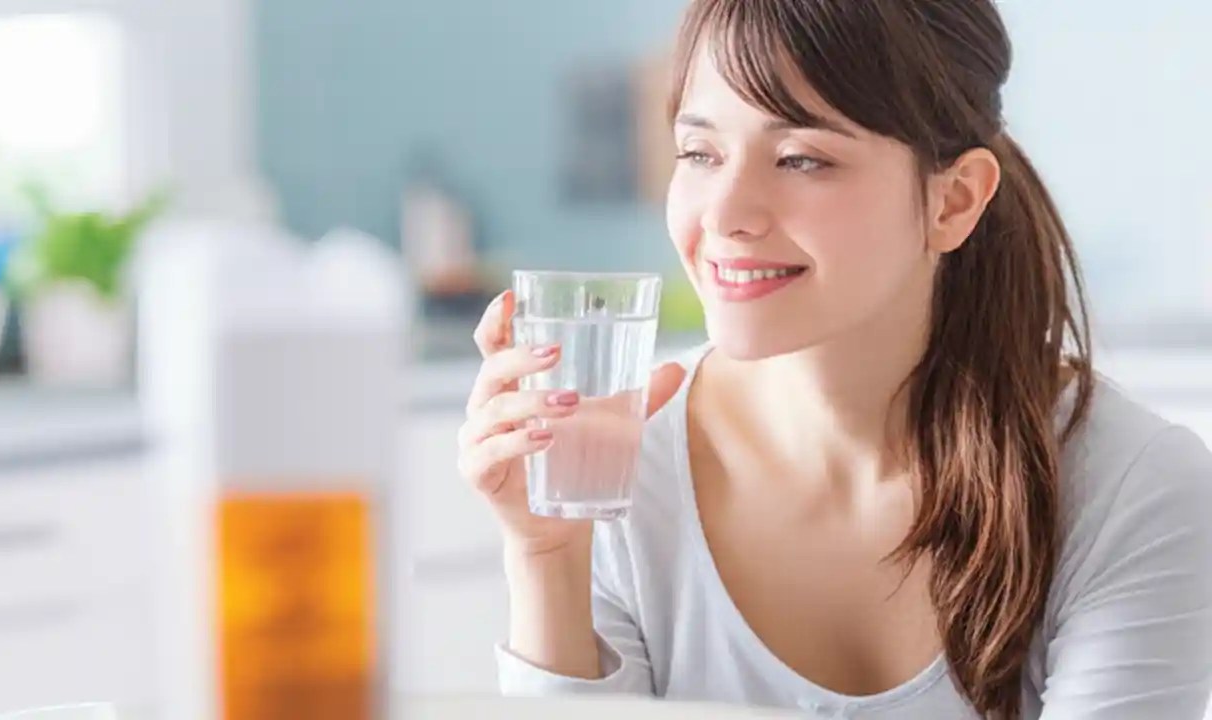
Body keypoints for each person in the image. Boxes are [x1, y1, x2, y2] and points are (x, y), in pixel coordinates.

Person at [455, 0, 1212, 717]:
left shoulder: (1128, 489)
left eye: (801, 159)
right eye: (699, 152)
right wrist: (546, 552)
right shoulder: (621, 465)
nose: (724, 215)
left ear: (953, 202)